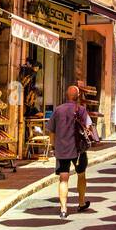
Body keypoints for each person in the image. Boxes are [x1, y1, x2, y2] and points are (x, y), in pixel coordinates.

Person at [46, 84, 94, 220]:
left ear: (66, 96)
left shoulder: (58, 110)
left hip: (62, 149)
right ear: (78, 96)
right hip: (79, 149)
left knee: (63, 179)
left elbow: (51, 130)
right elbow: (89, 127)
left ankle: (63, 209)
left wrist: (53, 147)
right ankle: (81, 202)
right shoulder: (82, 110)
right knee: (81, 175)